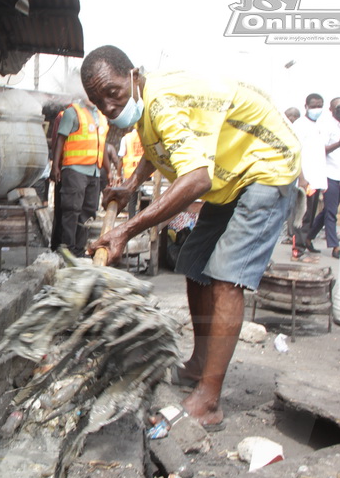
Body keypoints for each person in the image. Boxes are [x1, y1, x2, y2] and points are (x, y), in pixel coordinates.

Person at [81, 45, 300, 430]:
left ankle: (209, 400)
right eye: (99, 103)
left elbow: (196, 177)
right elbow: (158, 147)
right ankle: (200, 364)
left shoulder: (162, 100)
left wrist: (127, 230)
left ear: (133, 75)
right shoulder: (147, 104)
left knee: (226, 278)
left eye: (113, 93)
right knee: (195, 265)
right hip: (230, 177)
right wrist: (131, 184)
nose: (110, 108)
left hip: (266, 165)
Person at [50, 98, 110, 257]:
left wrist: (108, 171)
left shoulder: (102, 116)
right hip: (75, 170)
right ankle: (67, 250)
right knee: (72, 210)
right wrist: (55, 166)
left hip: (94, 172)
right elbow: (60, 140)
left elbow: (101, 145)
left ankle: (79, 250)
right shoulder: (72, 112)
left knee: (88, 211)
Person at [306, 97, 340, 259]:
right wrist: (339, 144)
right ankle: (335, 245)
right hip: (329, 174)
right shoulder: (326, 126)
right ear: (331, 109)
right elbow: (321, 150)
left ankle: (308, 236)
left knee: (327, 210)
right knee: (331, 212)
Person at [290, 93, 327, 262]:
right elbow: (295, 153)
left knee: (310, 216)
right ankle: (298, 252)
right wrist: (302, 178)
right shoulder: (300, 125)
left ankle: (304, 248)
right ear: (306, 106)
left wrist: (323, 181)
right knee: (302, 216)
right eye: (313, 105)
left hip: (317, 179)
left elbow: (319, 156)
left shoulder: (319, 126)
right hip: (305, 179)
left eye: (320, 105)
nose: (316, 109)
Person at [117, 129, 145, 217]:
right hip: (146, 173)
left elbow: (121, 157)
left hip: (131, 173)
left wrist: (118, 174)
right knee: (145, 198)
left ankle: (131, 219)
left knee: (132, 200)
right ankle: (144, 220)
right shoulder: (147, 136)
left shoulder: (126, 138)